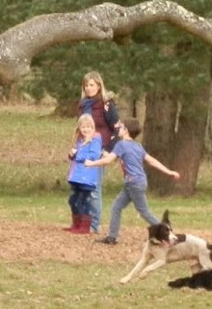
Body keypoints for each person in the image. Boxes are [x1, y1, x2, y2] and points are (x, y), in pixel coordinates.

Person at [85, 118, 179, 245]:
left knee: (144, 211)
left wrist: (90, 164)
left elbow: (108, 161)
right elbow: (151, 161)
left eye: (121, 127)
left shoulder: (121, 145)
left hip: (134, 183)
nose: (119, 129)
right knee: (116, 207)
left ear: (126, 130)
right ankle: (112, 238)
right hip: (135, 183)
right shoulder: (137, 146)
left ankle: (169, 235)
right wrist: (169, 171)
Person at [78, 71, 120, 234]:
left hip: (100, 149)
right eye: (86, 85)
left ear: (99, 86)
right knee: (81, 187)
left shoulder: (106, 104)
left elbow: (117, 127)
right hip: (84, 149)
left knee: (94, 188)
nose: (89, 88)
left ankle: (94, 225)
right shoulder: (83, 105)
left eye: (92, 85)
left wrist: (109, 150)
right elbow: (80, 128)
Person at [64, 114, 102, 234]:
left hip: (87, 176)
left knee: (84, 201)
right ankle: (76, 223)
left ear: (93, 127)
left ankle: (84, 226)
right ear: (79, 128)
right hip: (76, 176)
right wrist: (71, 154)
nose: (86, 130)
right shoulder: (79, 141)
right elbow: (74, 157)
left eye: (88, 127)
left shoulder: (95, 140)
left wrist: (77, 155)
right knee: (73, 200)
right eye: (83, 127)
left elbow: (94, 155)